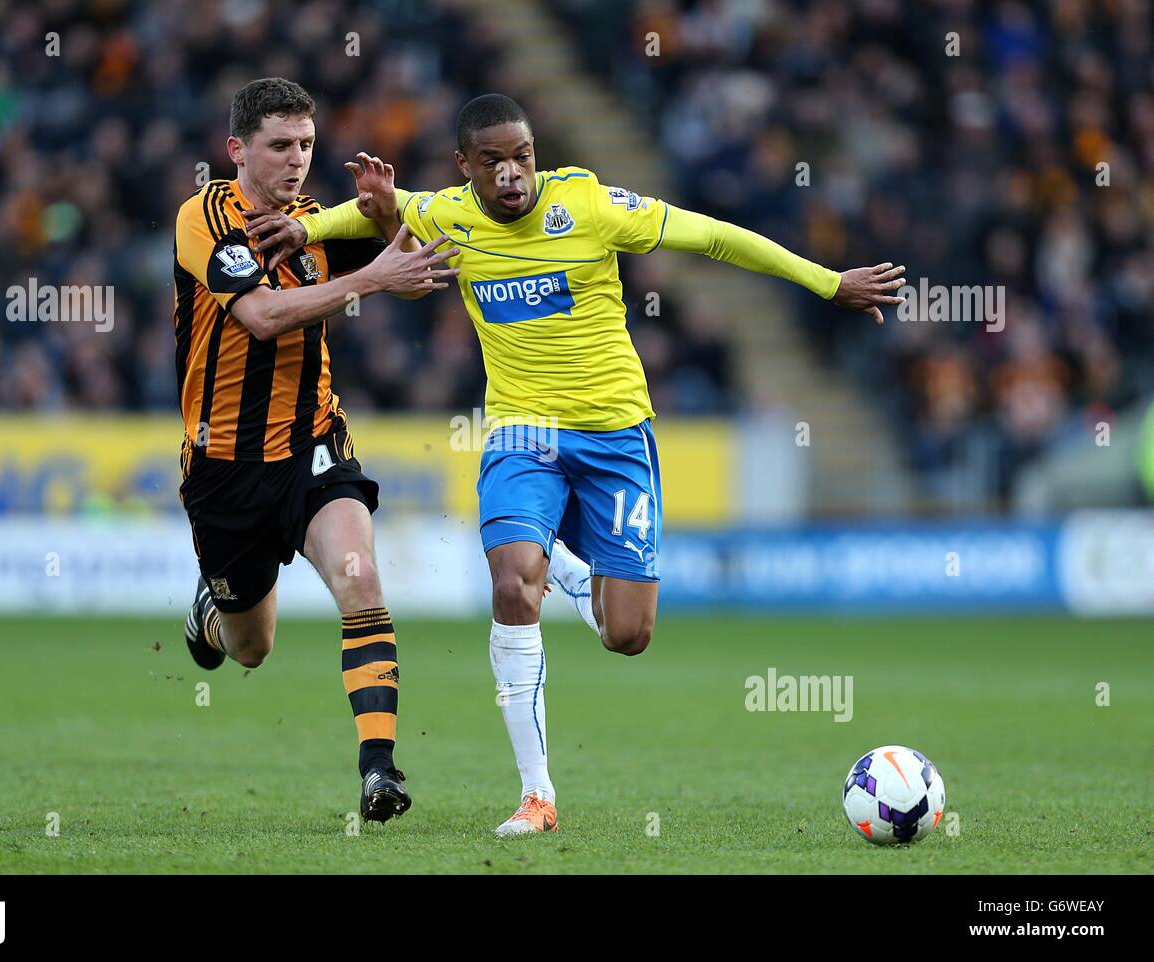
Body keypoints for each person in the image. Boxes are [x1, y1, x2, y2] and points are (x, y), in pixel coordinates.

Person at [259, 93, 904, 835]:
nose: (512, 174)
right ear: (463, 168)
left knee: (626, 634)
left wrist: (827, 282)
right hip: (520, 433)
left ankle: (573, 574)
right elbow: (367, 211)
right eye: (493, 161)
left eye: (523, 157)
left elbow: (714, 238)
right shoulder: (444, 214)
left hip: (615, 435)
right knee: (510, 584)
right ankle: (537, 795)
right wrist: (307, 224)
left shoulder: (589, 205)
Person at [172, 77, 458, 822]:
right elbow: (262, 316)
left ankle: (378, 772)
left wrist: (390, 215)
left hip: (313, 444)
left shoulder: (318, 222)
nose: (297, 161)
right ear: (237, 149)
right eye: (279, 146)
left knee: (361, 582)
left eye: (306, 145)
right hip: (225, 468)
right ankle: (213, 609)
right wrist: (375, 277)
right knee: (251, 649)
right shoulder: (204, 218)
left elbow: (413, 257)